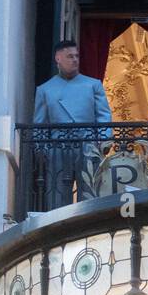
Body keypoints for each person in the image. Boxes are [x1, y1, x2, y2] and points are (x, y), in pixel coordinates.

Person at [31, 40, 113, 209]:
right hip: (58, 148)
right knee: (57, 195)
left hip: (88, 145)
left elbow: (104, 116)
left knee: (90, 194)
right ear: (58, 58)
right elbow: (40, 124)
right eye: (70, 56)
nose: (75, 60)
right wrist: (41, 149)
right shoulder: (45, 89)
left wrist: (104, 141)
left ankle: (91, 229)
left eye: (76, 56)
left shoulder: (93, 84)